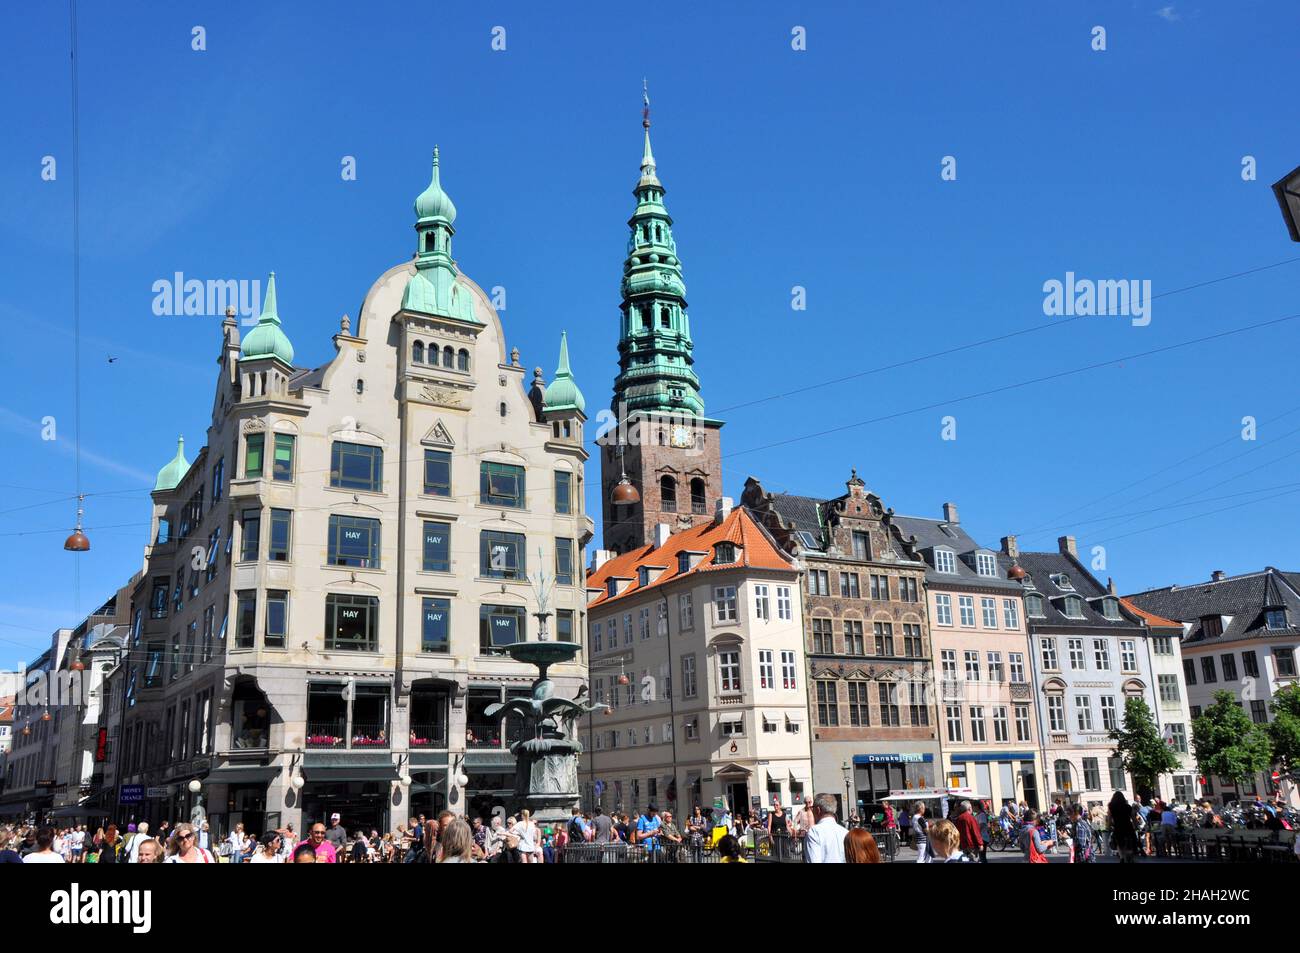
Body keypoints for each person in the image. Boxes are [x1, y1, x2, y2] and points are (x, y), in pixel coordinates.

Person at [803, 792, 849, 863]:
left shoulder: (814, 832)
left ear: (818, 810)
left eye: (813, 808)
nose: (812, 810)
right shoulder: (845, 832)